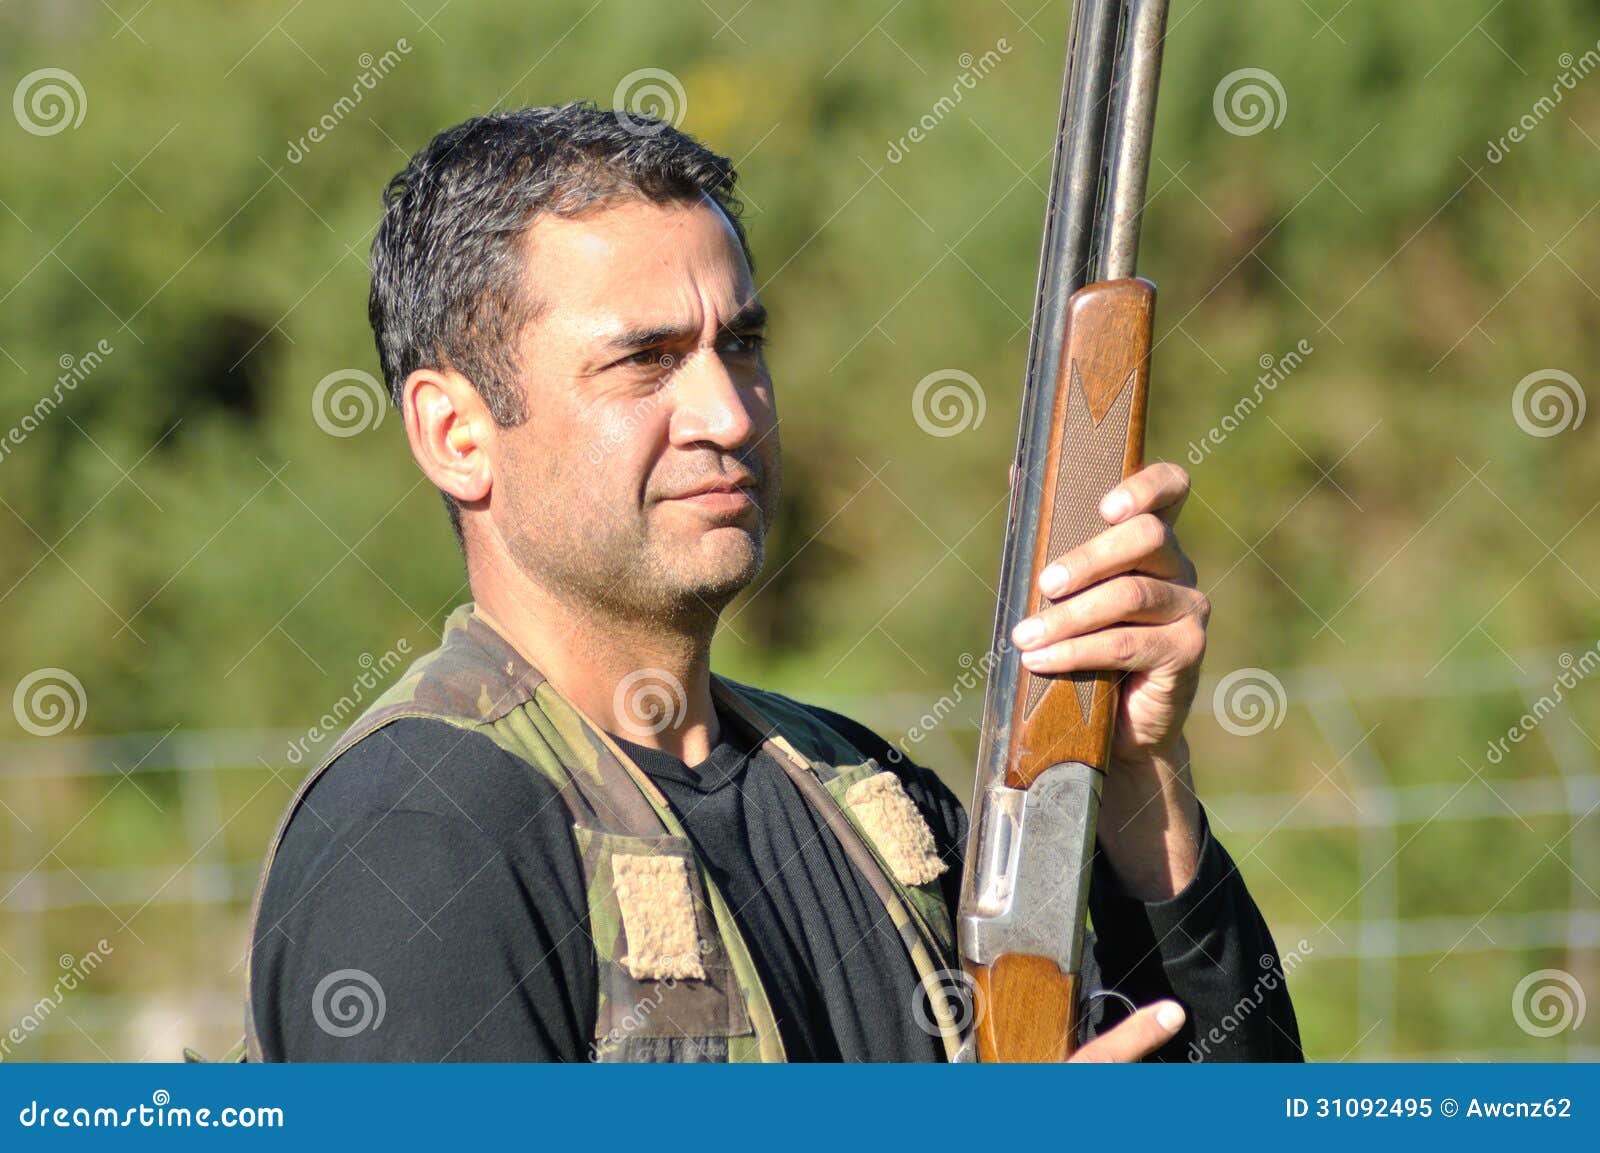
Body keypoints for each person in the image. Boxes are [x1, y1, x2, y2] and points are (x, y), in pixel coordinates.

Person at [246, 103, 1301, 1063]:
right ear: (455, 433)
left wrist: (1132, 786)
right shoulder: (420, 835)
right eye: (645, 361)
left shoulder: (874, 805)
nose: (730, 412)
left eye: (740, 343)